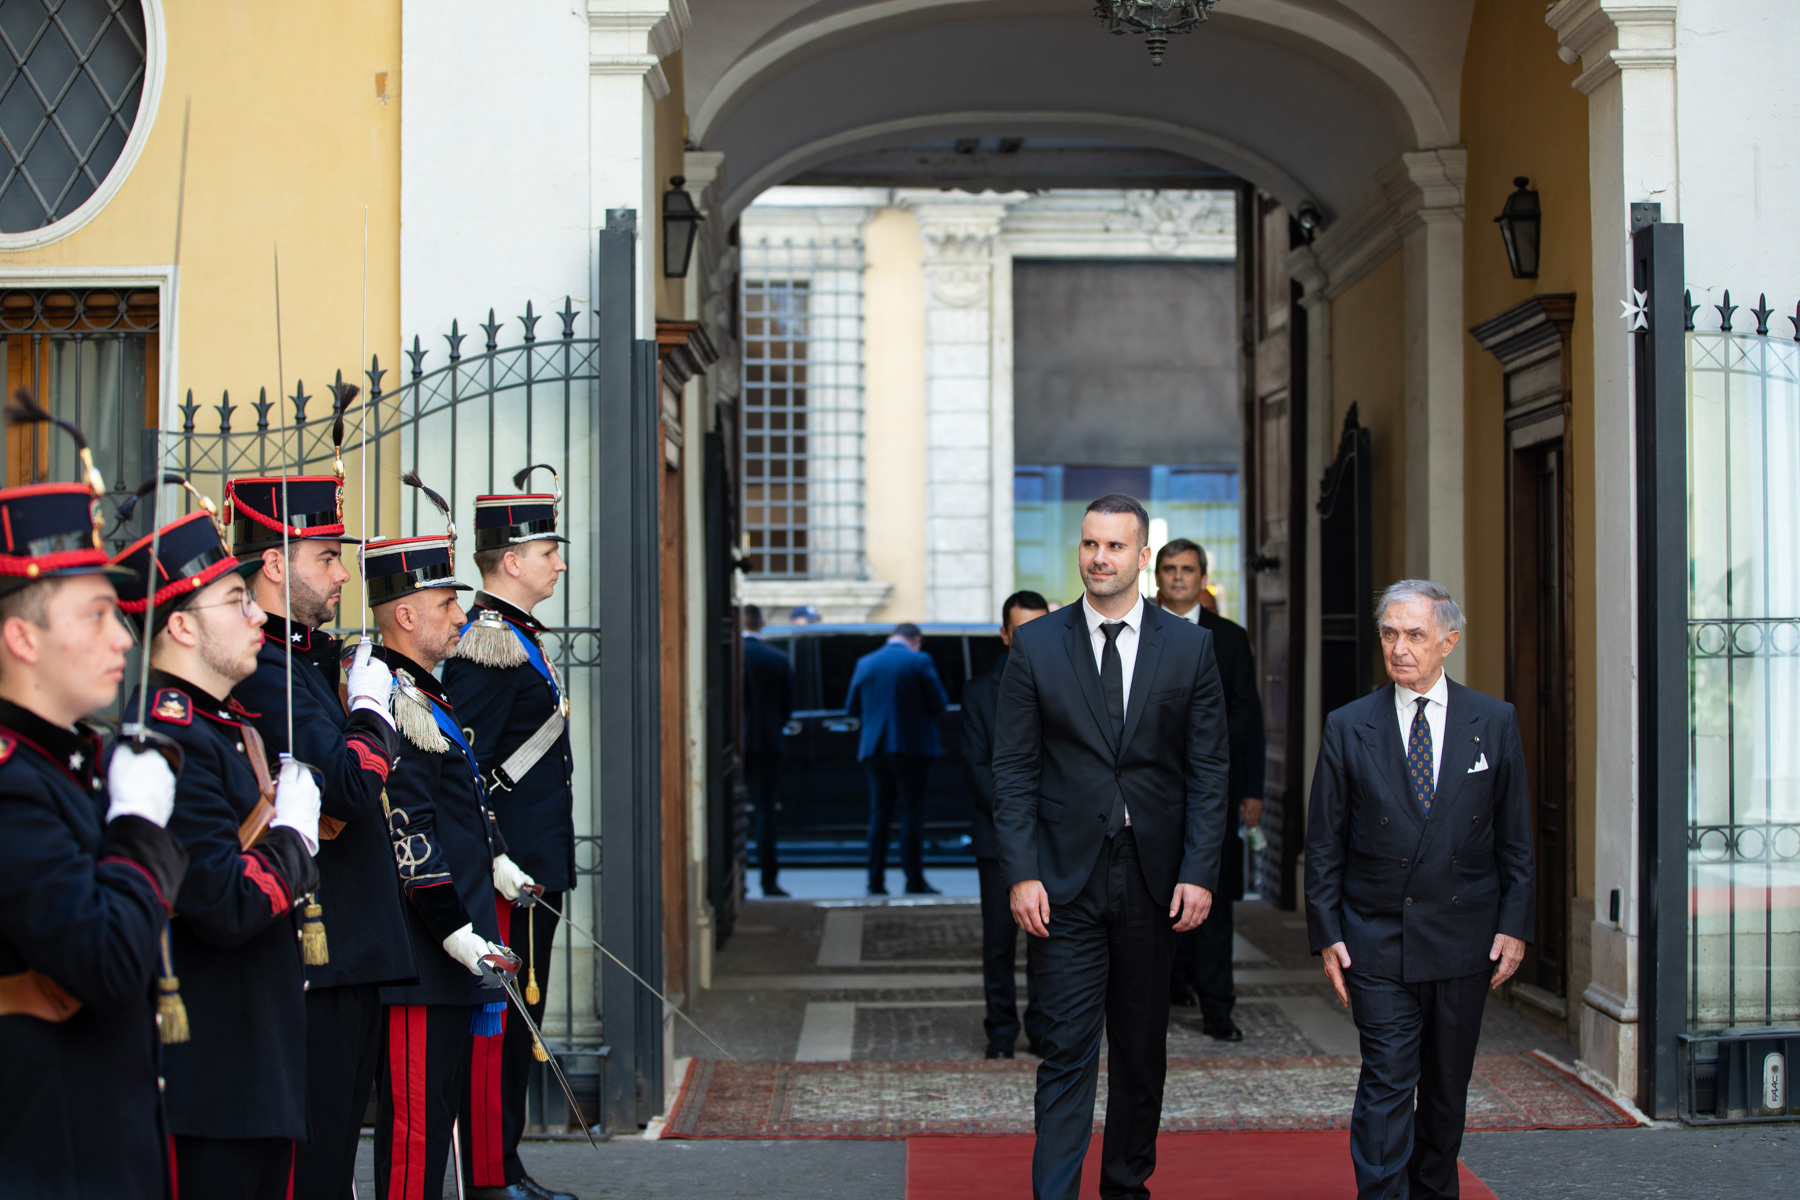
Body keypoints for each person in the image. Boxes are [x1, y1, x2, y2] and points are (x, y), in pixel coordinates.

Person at [993, 493, 1230, 1200]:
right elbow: (1012, 767)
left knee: (1140, 1052)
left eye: (1115, 547)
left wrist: (1199, 870)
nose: (1100, 558)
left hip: (1154, 880)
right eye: (1090, 545)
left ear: (1142, 554)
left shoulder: (1190, 646)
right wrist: (1021, 872)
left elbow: (1210, 769)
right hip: (1061, 882)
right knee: (1064, 1048)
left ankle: (1126, 1189)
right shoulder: (1038, 644)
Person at [115, 502, 323, 1200]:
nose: (259, 615)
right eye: (236, 601)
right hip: (211, 1080)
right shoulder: (169, 738)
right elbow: (224, 903)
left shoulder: (222, 729)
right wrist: (295, 835)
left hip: (257, 1067)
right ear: (179, 624)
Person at [0, 427, 188, 1199]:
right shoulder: (14, 786)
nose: (122, 637)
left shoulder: (68, 764)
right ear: (23, 638)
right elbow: (109, 962)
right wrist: (140, 821)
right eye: (97, 615)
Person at [1305, 579, 1534, 1200]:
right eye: (1389, 635)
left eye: (1414, 635)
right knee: (1385, 1081)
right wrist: (1327, 933)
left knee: (1443, 1091)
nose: (1399, 648)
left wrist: (1514, 925)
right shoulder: (1349, 726)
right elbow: (1324, 841)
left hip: (1464, 939)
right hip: (1375, 938)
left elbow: (1516, 839)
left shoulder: (1495, 720)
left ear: (1448, 642)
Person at [229, 467, 414, 1200]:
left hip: (352, 946)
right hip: (319, 946)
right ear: (275, 562)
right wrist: (371, 712)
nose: (342, 574)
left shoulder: (307, 656)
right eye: (326, 557)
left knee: (334, 1157)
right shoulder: (266, 669)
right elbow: (346, 785)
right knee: (312, 1167)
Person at [366, 476, 529, 1200]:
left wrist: (495, 862)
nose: (461, 616)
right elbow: (410, 831)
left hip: (452, 943)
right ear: (405, 613)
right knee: (415, 1130)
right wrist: (456, 931)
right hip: (420, 953)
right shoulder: (394, 700)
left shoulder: (427, 691)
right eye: (446, 605)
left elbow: (462, 799)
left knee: (438, 1124)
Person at [443, 473, 579, 1200]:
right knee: (504, 1030)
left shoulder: (519, 640)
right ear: (512, 560)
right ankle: (493, 1178)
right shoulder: (489, 646)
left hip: (533, 867)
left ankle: (507, 1166)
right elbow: (458, 766)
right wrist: (492, 857)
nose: (559, 562)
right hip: (507, 875)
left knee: (524, 1027)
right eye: (548, 549)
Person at [1154, 538, 1265, 1041]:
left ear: (1202, 579)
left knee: (1213, 904)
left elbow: (1248, 714)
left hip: (1211, 792)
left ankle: (1218, 1009)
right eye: (1170, 569)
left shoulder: (1230, 638)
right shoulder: (1136, 630)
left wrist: (1251, 788)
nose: (1178, 577)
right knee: (1151, 900)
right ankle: (1162, 993)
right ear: (1156, 575)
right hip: (1149, 793)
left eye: (1188, 569)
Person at [960, 589, 1050, 1059]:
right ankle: (1000, 1031)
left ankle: (1040, 1029)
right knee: (999, 941)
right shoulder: (979, 692)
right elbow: (977, 767)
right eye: (1022, 631)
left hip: (1052, 837)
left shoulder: (1065, 683)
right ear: (1004, 635)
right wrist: (1020, 812)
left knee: (1045, 938)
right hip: (997, 837)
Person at [846, 621, 949, 896]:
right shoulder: (919, 660)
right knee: (912, 815)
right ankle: (913, 879)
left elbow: (851, 707)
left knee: (879, 815)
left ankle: (875, 881)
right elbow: (938, 703)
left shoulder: (865, 662)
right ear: (916, 639)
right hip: (912, 747)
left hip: (875, 747)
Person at [739, 603, 795, 897]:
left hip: (737, 743)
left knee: (730, 812)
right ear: (761, 623)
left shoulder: (733, 655)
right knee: (766, 814)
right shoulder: (777, 658)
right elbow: (787, 706)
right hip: (769, 742)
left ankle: (738, 881)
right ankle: (769, 881)